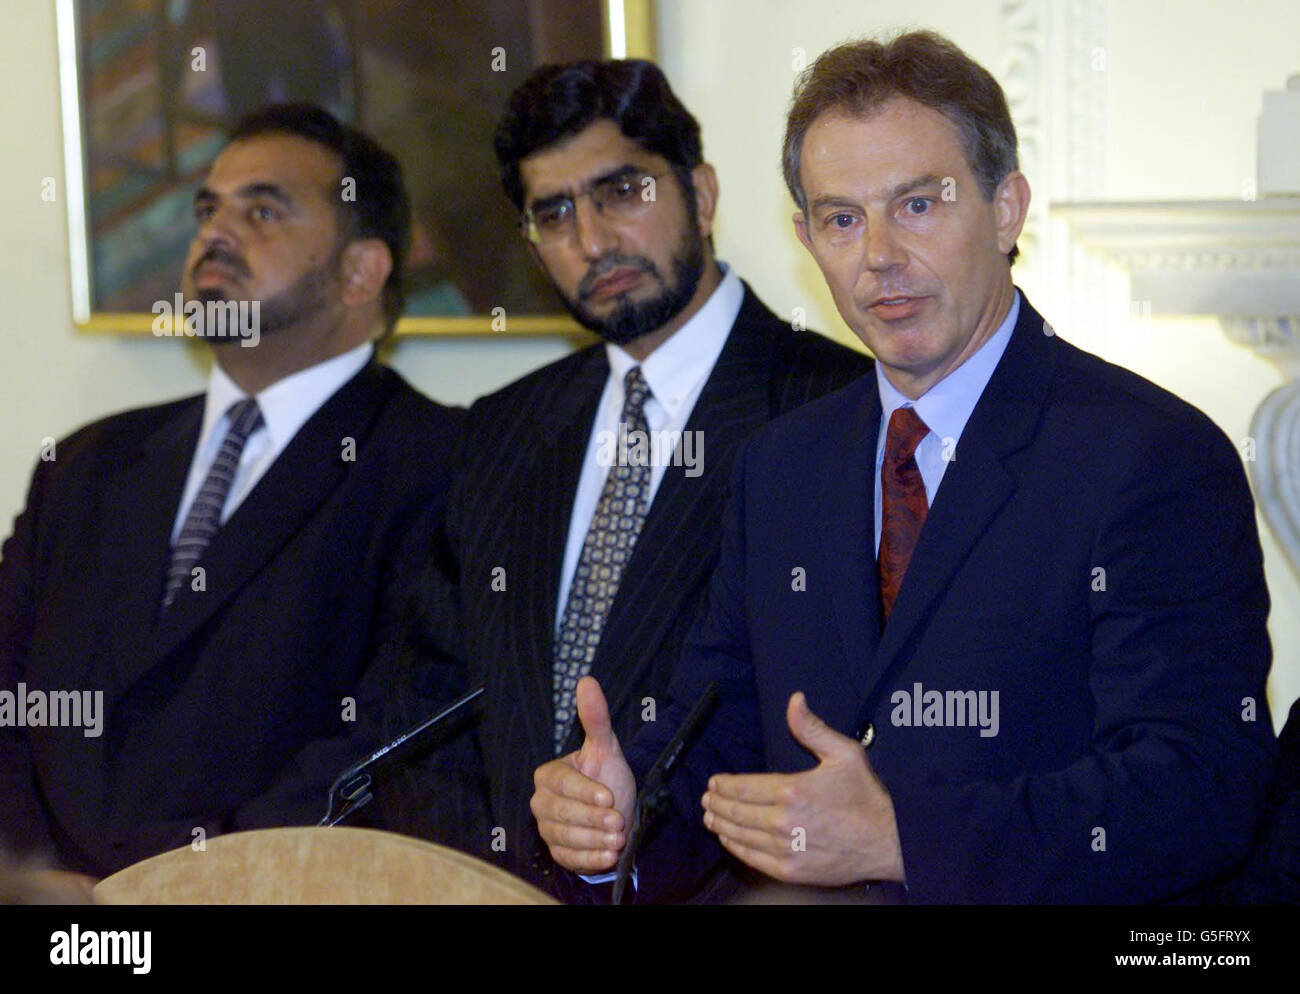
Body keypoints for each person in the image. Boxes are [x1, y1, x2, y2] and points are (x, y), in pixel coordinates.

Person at [531, 32, 1277, 904]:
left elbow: (1198, 786)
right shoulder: (781, 467)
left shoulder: (1149, 453)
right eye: (843, 219)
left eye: (918, 206)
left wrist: (902, 839)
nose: (879, 255)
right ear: (808, 239)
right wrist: (620, 816)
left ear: (1006, 209)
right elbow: (722, 747)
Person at [378, 59, 870, 899]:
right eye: (555, 213)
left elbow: (831, 721)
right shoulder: (501, 429)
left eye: (623, 192)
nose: (594, 241)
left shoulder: (837, 409)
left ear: (703, 195)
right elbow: (426, 712)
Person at [0, 104, 463, 883]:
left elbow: (394, 739)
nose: (215, 232)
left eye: (263, 211)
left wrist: (170, 885)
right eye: (208, 209)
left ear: (361, 271)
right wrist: (33, 879)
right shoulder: (86, 464)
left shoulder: (440, 465)